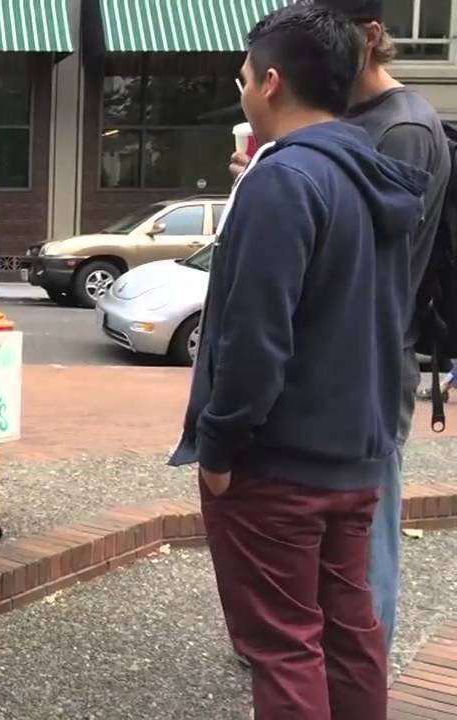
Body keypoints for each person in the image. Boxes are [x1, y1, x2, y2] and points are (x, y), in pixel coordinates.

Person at [173, 4, 429, 717]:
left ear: (273, 83)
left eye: (245, 78)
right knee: (351, 636)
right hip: (355, 457)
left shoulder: (282, 180)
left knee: (284, 647)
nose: (244, 89)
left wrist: (219, 446)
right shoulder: (373, 173)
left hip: (277, 464)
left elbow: (255, 337)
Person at [228, 0, 450, 654]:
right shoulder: (345, 128)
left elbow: (381, 267)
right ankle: (323, 653)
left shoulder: (404, 127)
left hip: (365, 358)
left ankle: (353, 655)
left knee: (365, 528)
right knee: (332, 536)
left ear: (370, 37)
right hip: (339, 358)